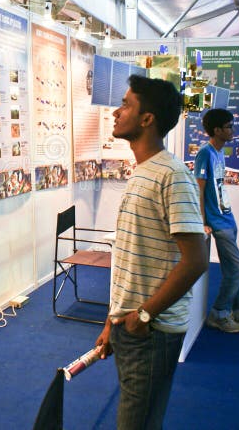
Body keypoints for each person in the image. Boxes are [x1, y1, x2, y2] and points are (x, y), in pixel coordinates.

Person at [95, 75, 208, 430]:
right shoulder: (144, 172)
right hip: (131, 326)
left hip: (152, 331)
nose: (116, 111)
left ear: (147, 119)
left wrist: (142, 316)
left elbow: (196, 260)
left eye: (126, 104)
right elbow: (131, 260)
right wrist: (112, 321)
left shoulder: (172, 175)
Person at [195, 108, 239, 333]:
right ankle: (219, 311)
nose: (233, 130)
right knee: (237, 267)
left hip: (227, 216)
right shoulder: (205, 154)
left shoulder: (220, 152)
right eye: (229, 126)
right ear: (217, 130)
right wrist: (202, 221)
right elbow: (200, 188)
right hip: (217, 221)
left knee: (231, 269)